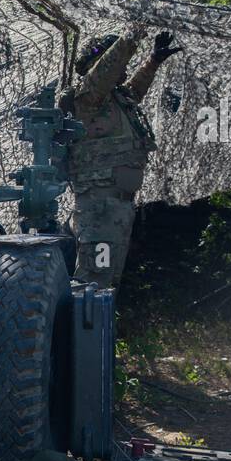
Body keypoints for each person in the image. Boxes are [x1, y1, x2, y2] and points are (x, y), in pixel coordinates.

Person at [59, 24, 183, 285]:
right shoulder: (88, 97)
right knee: (95, 277)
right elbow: (107, 70)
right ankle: (80, 325)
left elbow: (135, 89)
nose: (123, 68)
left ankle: (94, 323)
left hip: (116, 206)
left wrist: (153, 61)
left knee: (108, 277)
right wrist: (134, 32)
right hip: (100, 206)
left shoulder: (116, 98)